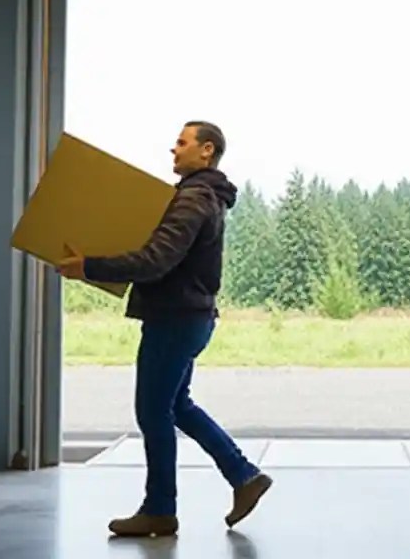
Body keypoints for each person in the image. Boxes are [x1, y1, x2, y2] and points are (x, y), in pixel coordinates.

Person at [56, 121, 272, 538]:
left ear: (206, 151)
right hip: (189, 317)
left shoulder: (193, 199)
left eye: (182, 143)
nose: (173, 150)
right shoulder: (201, 197)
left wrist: (90, 267)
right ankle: (244, 477)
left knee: (153, 411)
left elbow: (156, 259)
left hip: (175, 319)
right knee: (178, 407)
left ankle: (160, 509)